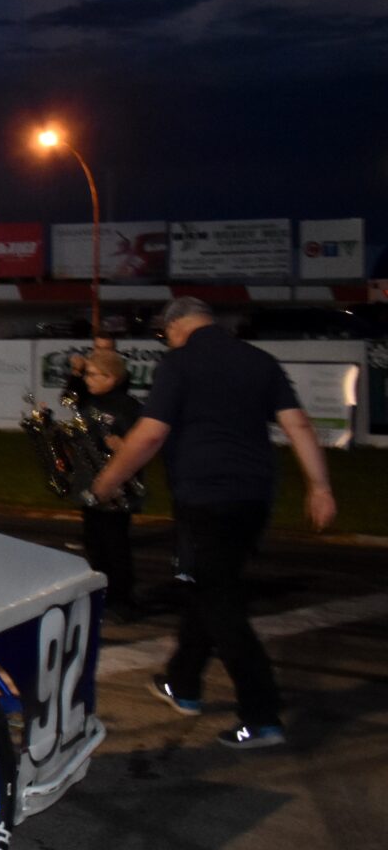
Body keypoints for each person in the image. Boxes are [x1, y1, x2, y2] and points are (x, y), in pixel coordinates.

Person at [89, 298, 338, 749]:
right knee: (207, 586)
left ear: (177, 326)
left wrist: (108, 478)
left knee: (220, 603)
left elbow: (150, 434)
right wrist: (319, 486)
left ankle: (262, 716)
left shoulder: (179, 363)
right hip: (254, 497)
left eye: (166, 334)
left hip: (204, 497)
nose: (168, 340)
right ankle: (183, 684)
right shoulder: (260, 361)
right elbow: (298, 424)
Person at [73, 348, 142, 618]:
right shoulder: (91, 402)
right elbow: (73, 396)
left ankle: (122, 598)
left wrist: (123, 446)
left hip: (117, 489)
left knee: (115, 544)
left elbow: (139, 448)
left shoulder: (128, 408)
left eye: (92, 374)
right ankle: (102, 592)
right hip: (91, 485)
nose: (87, 379)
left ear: (111, 378)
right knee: (95, 542)